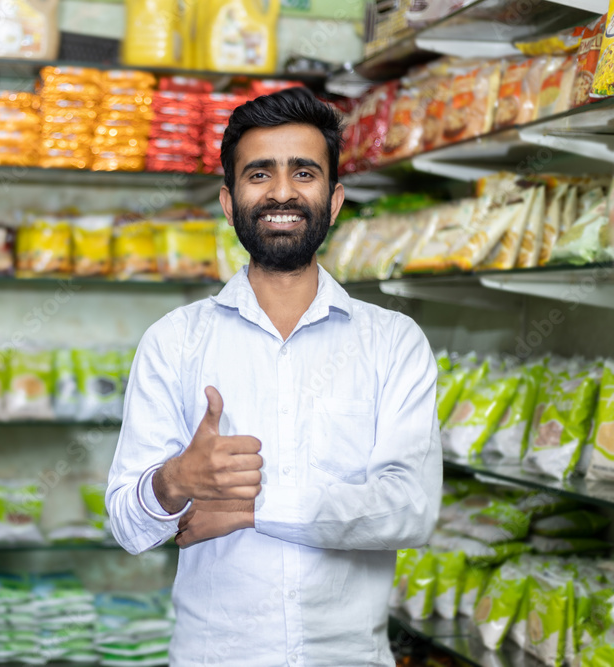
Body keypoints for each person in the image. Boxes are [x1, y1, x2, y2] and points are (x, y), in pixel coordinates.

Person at [106, 88, 442, 666]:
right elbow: (128, 526)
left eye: (304, 172)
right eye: (259, 174)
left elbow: (409, 508)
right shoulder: (175, 340)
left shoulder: (393, 342)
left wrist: (251, 509)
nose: (282, 192)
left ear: (333, 201)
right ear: (229, 201)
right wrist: (175, 480)